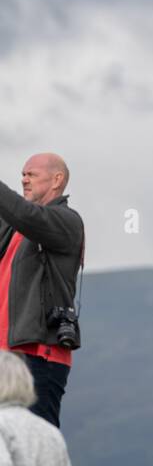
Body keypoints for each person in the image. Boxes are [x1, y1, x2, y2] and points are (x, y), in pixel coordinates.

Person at [0, 155, 84, 427]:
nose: (23, 179)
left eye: (32, 174)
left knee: (35, 443)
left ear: (57, 180)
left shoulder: (66, 221)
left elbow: (25, 213)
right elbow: (15, 212)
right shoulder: (14, 228)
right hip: (7, 355)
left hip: (38, 355)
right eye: (22, 174)